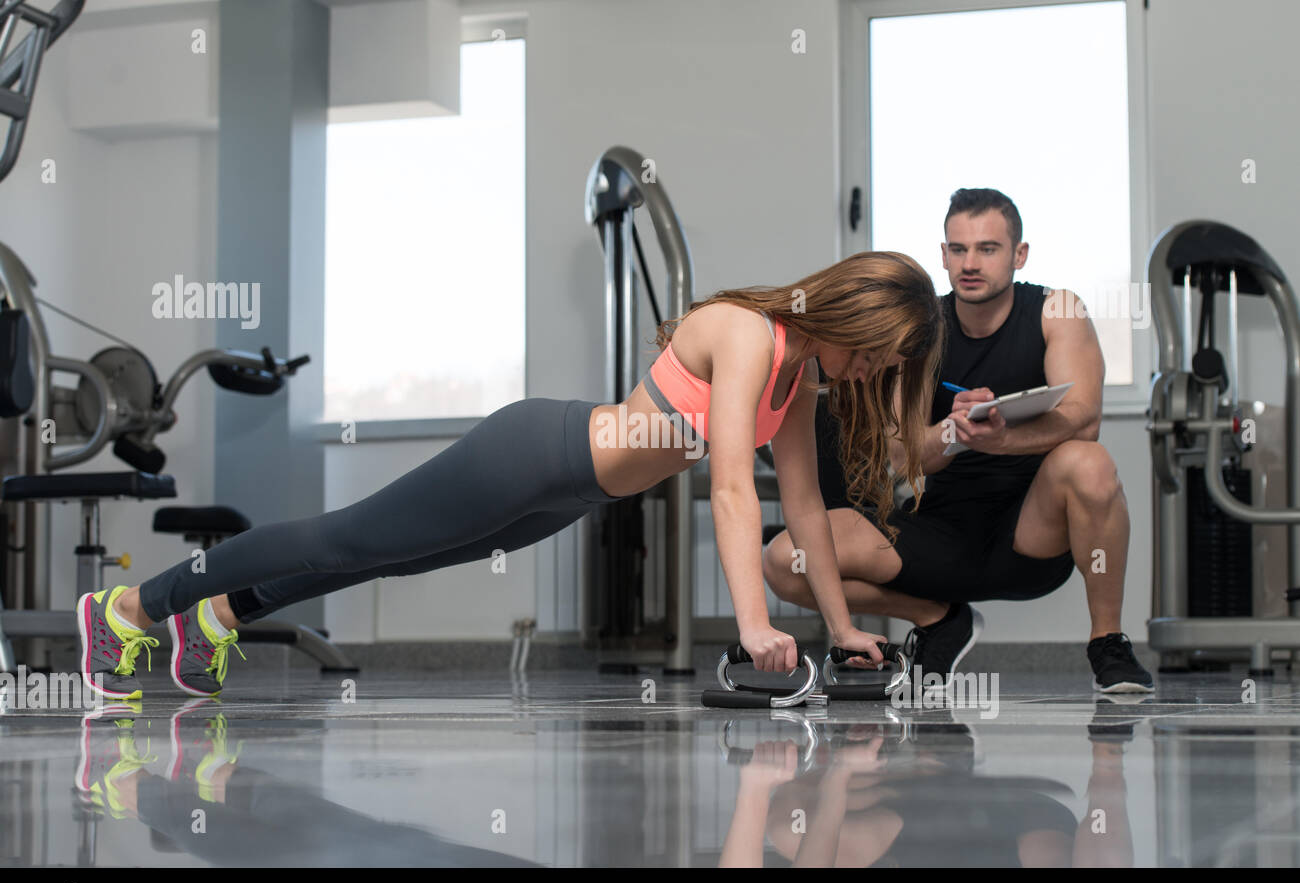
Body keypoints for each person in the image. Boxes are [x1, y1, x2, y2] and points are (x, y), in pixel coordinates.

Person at [78, 250, 945, 699]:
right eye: (879, 354)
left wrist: (843, 630)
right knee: (346, 535)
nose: (873, 373)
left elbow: (804, 504)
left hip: (569, 496)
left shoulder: (800, 384)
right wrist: (753, 630)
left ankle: (220, 616)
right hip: (538, 452)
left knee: (389, 557)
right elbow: (725, 485)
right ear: (851, 316)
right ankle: (128, 608)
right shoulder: (749, 334)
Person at [763, 189, 1153, 694]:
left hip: (1030, 535)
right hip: (937, 535)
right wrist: (953, 433)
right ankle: (938, 617)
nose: (970, 263)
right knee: (784, 560)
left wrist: (1000, 438)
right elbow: (900, 456)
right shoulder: (923, 328)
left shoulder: (1056, 309)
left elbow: (1084, 421)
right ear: (943, 255)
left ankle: (1108, 643)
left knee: (1089, 462)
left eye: (988, 249)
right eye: (958, 249)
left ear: (1019, 254)